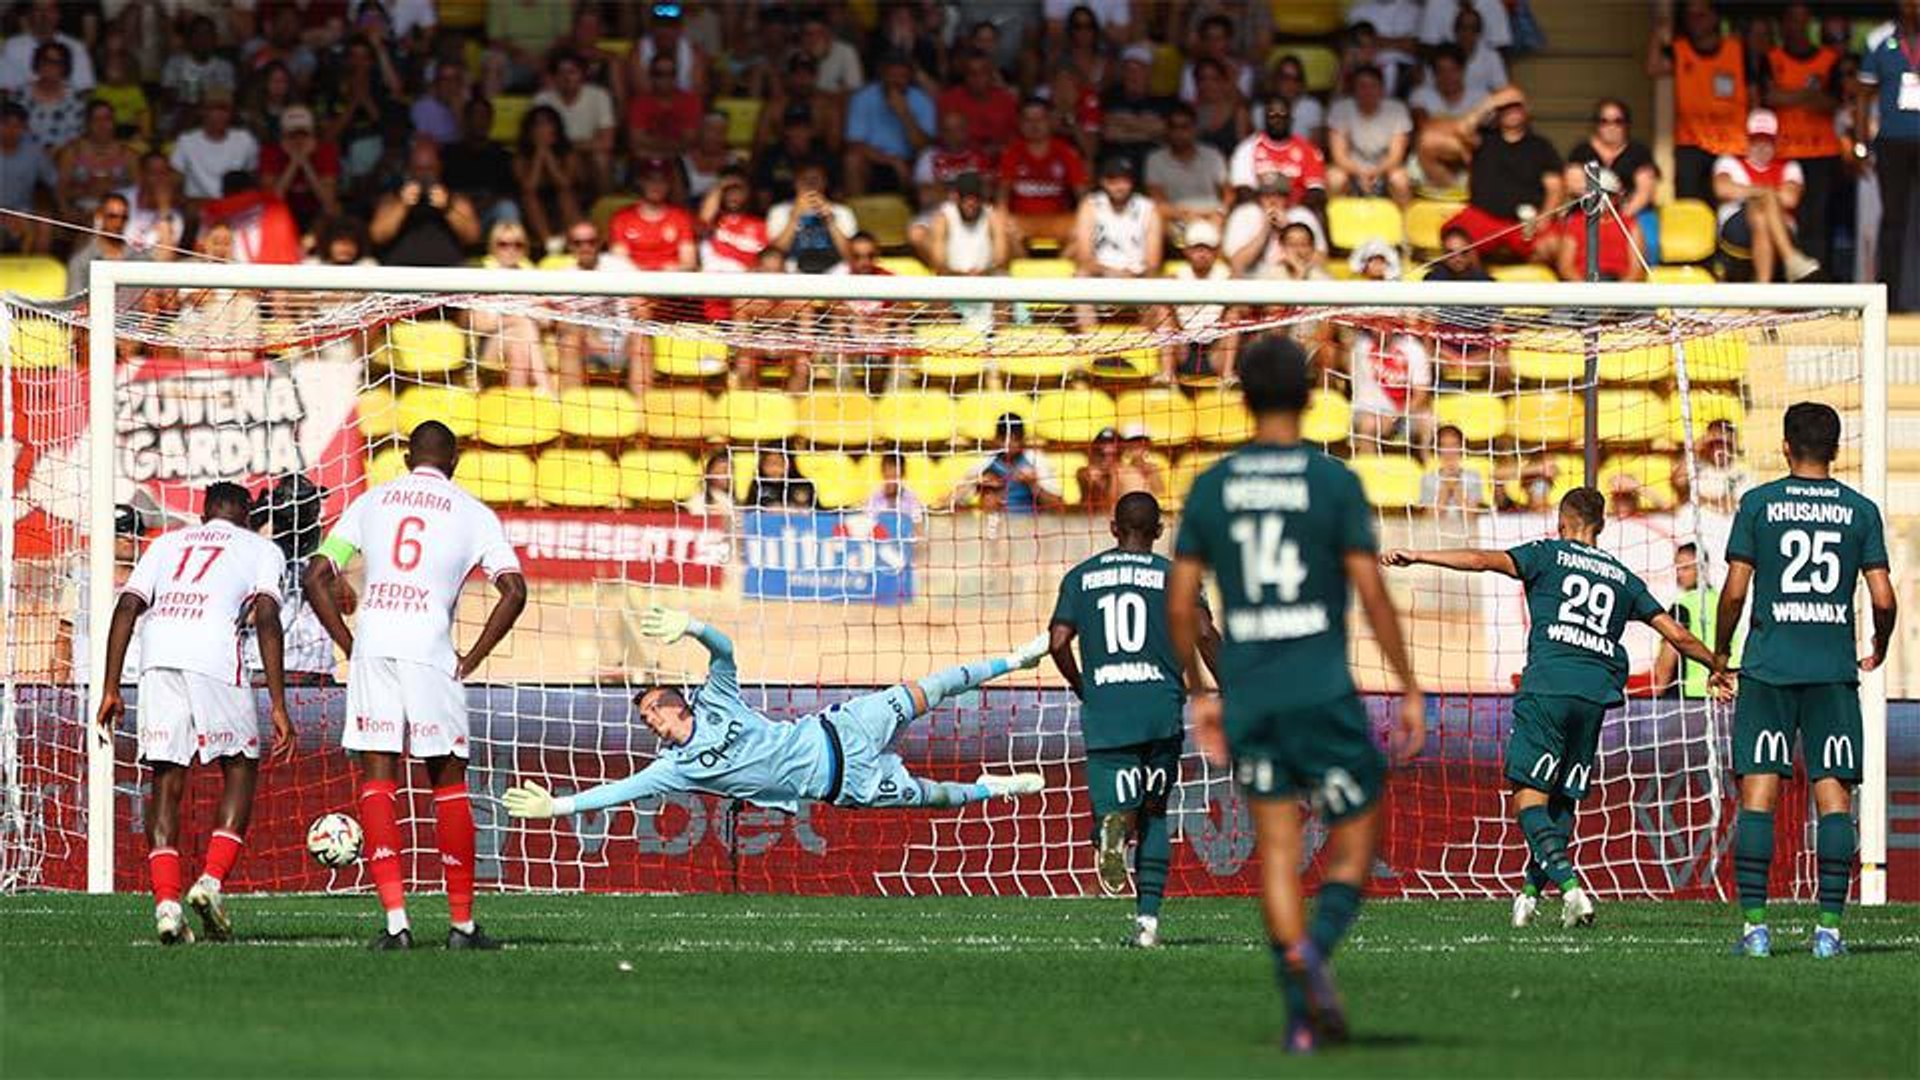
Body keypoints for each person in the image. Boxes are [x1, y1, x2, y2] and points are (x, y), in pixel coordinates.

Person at [1168, 336, 1425, 1054]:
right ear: (1312, 395)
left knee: (1277, 850)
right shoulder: (1332, 481)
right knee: (1355, 840)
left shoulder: (1213, 486)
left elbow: (1182, 598)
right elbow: (1370, 590)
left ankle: (1299, 1018)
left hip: (1250, 693)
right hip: (1321, 688)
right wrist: (1406, 683)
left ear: (1242, 396)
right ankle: (1314, 955)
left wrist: (1199, 692)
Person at [1382, 488, 1720, 932]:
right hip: (1596, 697)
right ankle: (1527, 895)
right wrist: (1718, 666)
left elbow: (1483, 560)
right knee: (1562, 799)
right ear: (1601, 526)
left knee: (1528, 797)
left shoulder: (1547, 554)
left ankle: (1572, 887)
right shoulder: (1623, 577)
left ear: (1563, 523)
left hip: (1548, 687)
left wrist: (1419, 555)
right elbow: (1674, 633)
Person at [302, 421, 529, 951]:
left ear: (407, 458)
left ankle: (396, 925)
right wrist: (470, 657)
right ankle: (462, 926)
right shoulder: (474, 513)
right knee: (447, 784)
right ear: (455, 461)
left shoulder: (370, 502)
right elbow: (514, 591)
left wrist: (349, 643)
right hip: (431, 653)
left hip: (375, 649)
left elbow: (315, 574)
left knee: (378, 780)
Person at [502, 609, 1049, 823]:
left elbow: (725, 650)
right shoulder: (678, 766)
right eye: (644, 717)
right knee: (934, 796)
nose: (648, 720)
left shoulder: (716, 698)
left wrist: (692, 626)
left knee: (926, 688)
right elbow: (619, 790)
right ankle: (991, 790)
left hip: (845, 725)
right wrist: (558, 804)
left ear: (673, 699)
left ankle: (1015, 658)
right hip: (848, 783)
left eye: (650, 708)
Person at [1712, 402, 1898, 959]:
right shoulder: (1861, 510)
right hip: (1831, 671)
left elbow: (1737, 591)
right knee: (1834, 800)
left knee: (1758, 797)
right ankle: (1828, 933)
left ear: (1786, 447)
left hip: (1769, 667)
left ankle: (1755, 930)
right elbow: (1884, 597)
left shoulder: (1759, 503)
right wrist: (1879, 643)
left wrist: (1722, 652)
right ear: (1835, 448)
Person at [94, 482, 292, 946]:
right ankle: (210, 883)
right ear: (245, 514)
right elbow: (266, 616)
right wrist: (279, 704)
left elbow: (127, 606)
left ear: (204, 515)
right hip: (214, 657)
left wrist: (109, 687)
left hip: (158, 657)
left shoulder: (167, 544)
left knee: (166, 777)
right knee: (240, 766)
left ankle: (166, 906)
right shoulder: (262, 548)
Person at [1049, 492, 1221, 946]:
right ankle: (1147, 925)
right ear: (1159, 531)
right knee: (1156, 812)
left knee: (1115, 811)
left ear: (1113, 528)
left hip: (1106, 710)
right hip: (1159, 707)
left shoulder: (1081, 577)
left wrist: (1081, 683)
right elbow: (1204, 634)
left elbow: (1058, 640)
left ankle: (1112, 831)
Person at [246, 475, 352, 685]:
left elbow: (349, 605)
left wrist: (323, 560)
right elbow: (248, 617)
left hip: (314, 670)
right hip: (266, 670)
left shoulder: (320, 561)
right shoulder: (260, 556)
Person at [1762, 2, 1843, 272]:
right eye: (1792, 20)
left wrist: (1789, 95)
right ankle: (1789, 285)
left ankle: (1821, 283)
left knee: (1819, 222)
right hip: (1784, 154)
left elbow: (1833, 102)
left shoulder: (1829, 59)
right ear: (1783, 24)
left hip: (1822, 153)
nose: (1797, 27)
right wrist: (1808, 93)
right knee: (1784, 219)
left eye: (1802, 20)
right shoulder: (1772, 58)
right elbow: (1769, 96)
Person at [1444, 88, 1564, 266]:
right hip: (1483, 218)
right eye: (1506, 106)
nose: (1512, 110)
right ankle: (1479, 281)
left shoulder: (1542, 146)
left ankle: (1520, 278)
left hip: (1524, 224)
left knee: (1554, 246)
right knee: (1456, 241)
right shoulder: (1483, 139)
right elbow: (1461, 129)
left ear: (1526, 110)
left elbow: (1555, 188)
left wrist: (1543, 218)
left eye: (1517, 105)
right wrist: (1492, 102)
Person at [1855, 0, 1920, 310]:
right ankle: (1889, 300)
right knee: (1894, 219)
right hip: (1892, 142)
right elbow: (1863, 96)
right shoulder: (1879, 39)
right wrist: (1860, 143)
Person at [1649, 0, 1746, 202]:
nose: (1695, 22)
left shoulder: (1736, 49)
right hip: (1690, 144)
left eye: (1701, 16)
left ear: (1714, 18)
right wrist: (1659, 32)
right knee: (1690, 206)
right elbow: (1653, 68)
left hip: (1732, 143)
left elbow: (1754, 96)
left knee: (1731, 206)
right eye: (1690, 16)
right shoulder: (1680, 49)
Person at [1713, 109, 1818, 283]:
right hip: (1737, 227)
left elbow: (1791, 198)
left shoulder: (1789, 167)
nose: (1761, 147)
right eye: (1756, 141)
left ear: (1775, 142)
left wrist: (1748, 191)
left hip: (1780, 227)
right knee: (1762, 202)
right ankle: (1790, 258)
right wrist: (1766, 192)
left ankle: (1763, 287)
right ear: (1747, 141)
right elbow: (1722, 188)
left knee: (1760, 214)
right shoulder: (1730, 162)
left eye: (1767, 142)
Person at [1073, 157, 1161, 329]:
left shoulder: (1148, 208)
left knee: (1159, 282)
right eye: (1113, 179)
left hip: (1137, 277)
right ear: (1103, 182)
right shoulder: (1090, 205)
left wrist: (1132, 275)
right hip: (1101, 276)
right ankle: (1092, 344)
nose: (1119, 185)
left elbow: (1153, 262)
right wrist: (1111, 273)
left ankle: (1143, 344)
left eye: (1124, 179)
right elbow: (1084, 257)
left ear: (1132, 181)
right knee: (1080, 277)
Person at [1652, 542, 1741, 700]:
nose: (1679, 574)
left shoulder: (1682, 607)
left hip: (1690, 699)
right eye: (1677, 568)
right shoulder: (1723, 603)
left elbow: (1665, 666)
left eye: (1685, 568)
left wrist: (1657, 692)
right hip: (1726, 692)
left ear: (1702, 569)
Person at [998, 98, 1088, 251]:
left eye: (1040, 119)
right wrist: (1003, 220)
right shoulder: (1011, 153)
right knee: (1000, 224)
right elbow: (1002, 198)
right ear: (1020, 123)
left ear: (1050, 121)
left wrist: (1083, 221)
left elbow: (1084, 197)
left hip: (1058, 223)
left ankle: (1066, 273)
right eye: (1028, 120)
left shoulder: (1066, 152)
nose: (1034, 125)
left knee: (1084, 227)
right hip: (1021, 222)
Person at [844, 50, 935, 196]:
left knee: (927, 163)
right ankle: (857, 213)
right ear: (882, 75)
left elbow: (923, 147)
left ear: (910, 78)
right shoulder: (863, 97)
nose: (897, 82)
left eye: (902, 77)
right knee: (852, 160)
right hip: (874, 160)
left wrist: (905, 114)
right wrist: (892, 161)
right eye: (892, 76)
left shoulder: (921, 100)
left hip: (910, 162)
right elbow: (855, 144)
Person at [1326, 65, 1413, 206]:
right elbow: (1339, 155)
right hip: (1351, 172)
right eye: (1362, 86)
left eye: (1373, 86)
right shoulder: (1340, 109)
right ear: (1354, 90)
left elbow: (1396, 156)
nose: (1367, 91)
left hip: (1384, 172)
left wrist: (1375, 172)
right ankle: (1332, 225)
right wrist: (1360, 173)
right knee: (1335, 178)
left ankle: (1404, 225)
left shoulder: (1397, 110)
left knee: (1400, 179)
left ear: (1382, 89)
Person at [531, 50, 615, 193]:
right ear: (554, 77)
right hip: (556, 155)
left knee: (600, 159)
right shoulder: (542, 99)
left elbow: (607, 142)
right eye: (561, 73)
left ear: (583, 75)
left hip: (586, 155)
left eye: (572, 72)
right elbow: (538, 139)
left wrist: (570, 146)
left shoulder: (599, 96)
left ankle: (605, 204)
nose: (567, 77)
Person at [1144, 103, 1228, 244]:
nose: (1178, 133)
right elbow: (1158, 202)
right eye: (1173, 127)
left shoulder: (1212, 155)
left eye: (1184, 127)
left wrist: (1220, 213)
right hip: (1177, 219)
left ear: (1194, 129)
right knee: (1157, 220)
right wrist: (1187, 216)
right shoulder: (1155, 159)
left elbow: (1229, 194)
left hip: (1213, 215)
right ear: (1167, 130)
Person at [953, 413, 1063, 513]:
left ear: (1023, 439)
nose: (1009, 444)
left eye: (1015, 439)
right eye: (1004, 438)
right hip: (994, 527)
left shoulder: (1037, 462)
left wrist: (1033, 484)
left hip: (1031, 526)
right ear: (995, 439)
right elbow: (946, 505)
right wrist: (975, 484)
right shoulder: (983, 464)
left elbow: (1058, 508)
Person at [168, 89, 259, 205]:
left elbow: (253, 179)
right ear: (203, 111)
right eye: (214, 109)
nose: (219, 114)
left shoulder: (245, 139)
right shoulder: (186, 141)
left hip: (234, 206)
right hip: (198, 206)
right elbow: (174, 182)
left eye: (224, 110)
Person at [513, 105, 583, 253]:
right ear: (530, 130)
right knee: (529, 196)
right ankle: (549, 243)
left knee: (565, 194)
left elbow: (565, 183)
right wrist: (539, 154)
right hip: (532, 208)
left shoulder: (568, 152)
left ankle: (568, 240)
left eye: (547, 123)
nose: (542, 128)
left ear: (556, 128)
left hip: (565, 203)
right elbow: (529, 186)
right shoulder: (521, 155)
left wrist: (548, 155)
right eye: (538, 124)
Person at [766, 159, 857, 274]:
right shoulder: (779, 211)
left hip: (833, 273)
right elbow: (775, 255)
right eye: (805, 179)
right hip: (792, 273)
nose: (810, 185)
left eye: (815, 179)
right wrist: (794, 218)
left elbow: (851, 257)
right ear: (795, 183)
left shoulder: (842, 212)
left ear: (825, 182)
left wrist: (831, 222)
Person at [927, 171, 1011, 276]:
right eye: (965, 198)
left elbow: (1001, 259)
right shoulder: (943, 218)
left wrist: (982, 273)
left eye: (975, 198)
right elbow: (938, 262)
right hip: (952, 280)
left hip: (987, 279)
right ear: (956, 197)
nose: (971, 203)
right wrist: (962, 275)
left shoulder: (992, 217)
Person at [1420, 424, 1485, 512]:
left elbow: (1471, 516)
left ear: (1461, 447)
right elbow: (1431, 517)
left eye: (1454, 444)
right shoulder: (1428, 479)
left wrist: (1455, 484)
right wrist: (1446, 485)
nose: (1449, 450)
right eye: (1444, 445)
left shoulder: (1473, 477)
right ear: (1437, 448)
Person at [864, 451, 927, 526]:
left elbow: (918, 525)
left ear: (902, 474)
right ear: (883, 472)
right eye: (888, 476)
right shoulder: (874, 497)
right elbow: (869, 526)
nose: (891, 481)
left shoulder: (911, 498)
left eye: (895, 476)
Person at [746, 445, 817, 510]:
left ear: (789, 464)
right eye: (769, 463)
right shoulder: (757, 485)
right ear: (762, 465)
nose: (774, 467)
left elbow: (815, 511)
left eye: (779, 463)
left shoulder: (802, 484)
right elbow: (749, 511)